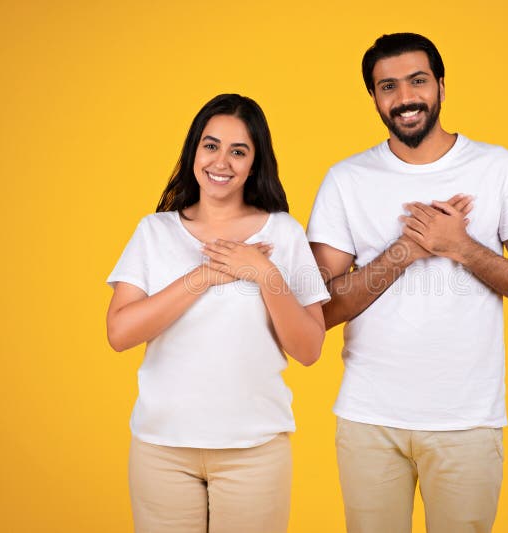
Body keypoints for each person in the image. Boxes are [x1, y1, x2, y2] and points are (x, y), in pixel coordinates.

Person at [307, 33, 508, 533]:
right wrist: (404, 252)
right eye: (388, 87)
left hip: (467, 419)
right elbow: (319, 311)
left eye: (418, 81)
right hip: (369, 418)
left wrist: (459, 246)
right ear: (375, 97)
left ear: (441, 86)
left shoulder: (498, 168)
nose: (405, 98)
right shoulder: (346, 179)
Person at [105, 93, 329, 533]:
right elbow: (119, 333)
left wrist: (264, 273)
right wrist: (204, 276)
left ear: (254, 162)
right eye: (211, 145)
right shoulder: (155, 231)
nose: (221, 161)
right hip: (161, 449)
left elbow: (309, 348)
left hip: (255, 451)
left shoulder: (283, 232)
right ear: (193, 151)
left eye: (238, 150)